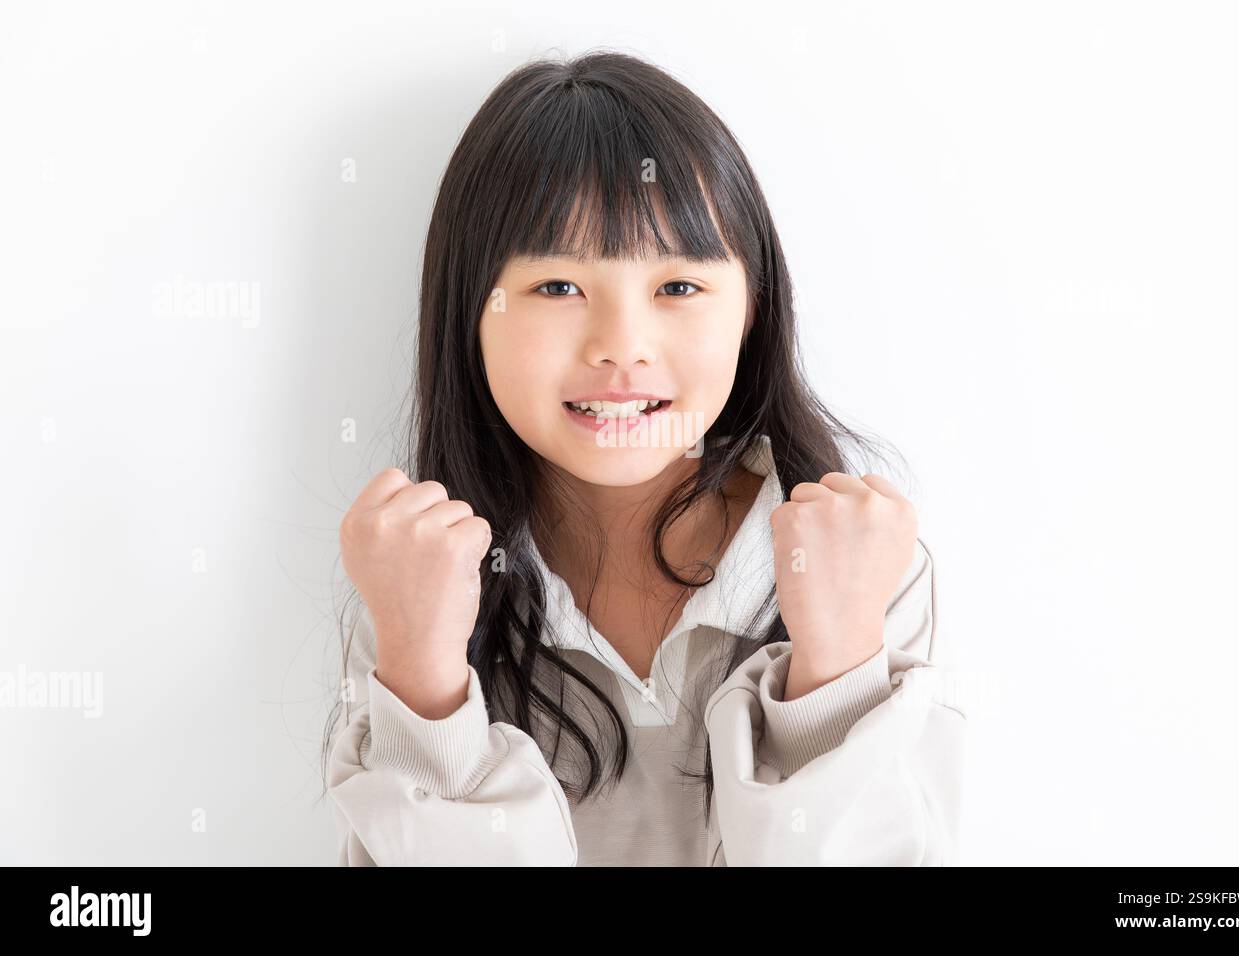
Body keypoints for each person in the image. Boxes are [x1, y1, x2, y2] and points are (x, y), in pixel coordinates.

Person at [322, 50, 965, 866]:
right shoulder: (414, 579)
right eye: (557, 287)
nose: (622, 348)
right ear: (468, 314)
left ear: (752, 312)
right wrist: (423, 681)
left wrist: (834, 671)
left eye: (679, 287)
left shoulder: (870, 567)